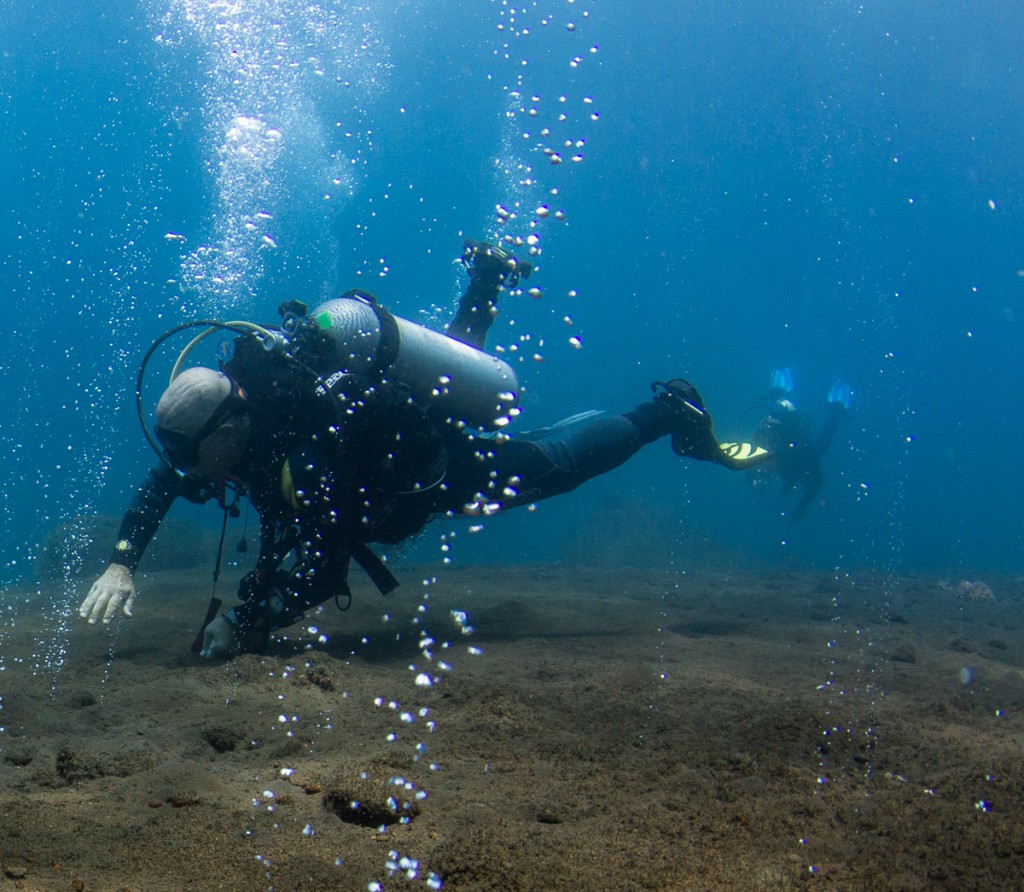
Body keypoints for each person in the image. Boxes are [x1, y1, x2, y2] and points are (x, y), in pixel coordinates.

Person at [78, 240, 770, 658]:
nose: (183, 472)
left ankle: (667, 409)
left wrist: (245, 621)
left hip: (433, 470)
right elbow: (165, 479)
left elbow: (322, 566)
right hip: (396, 422)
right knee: (445, 381)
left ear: (229, 432)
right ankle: (486, 283)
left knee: (552, 466)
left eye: (191, 457)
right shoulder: (231, 410)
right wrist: (121, 564)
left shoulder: (306, 452)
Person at [749, 368, 852, 521]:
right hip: (795, 452)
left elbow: (814, 482)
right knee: (819, 443)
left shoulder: (789, 460)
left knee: (820, 445)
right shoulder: (774, 457)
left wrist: (800, 506)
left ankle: (836, 407)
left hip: (801, 454)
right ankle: (835, 406)